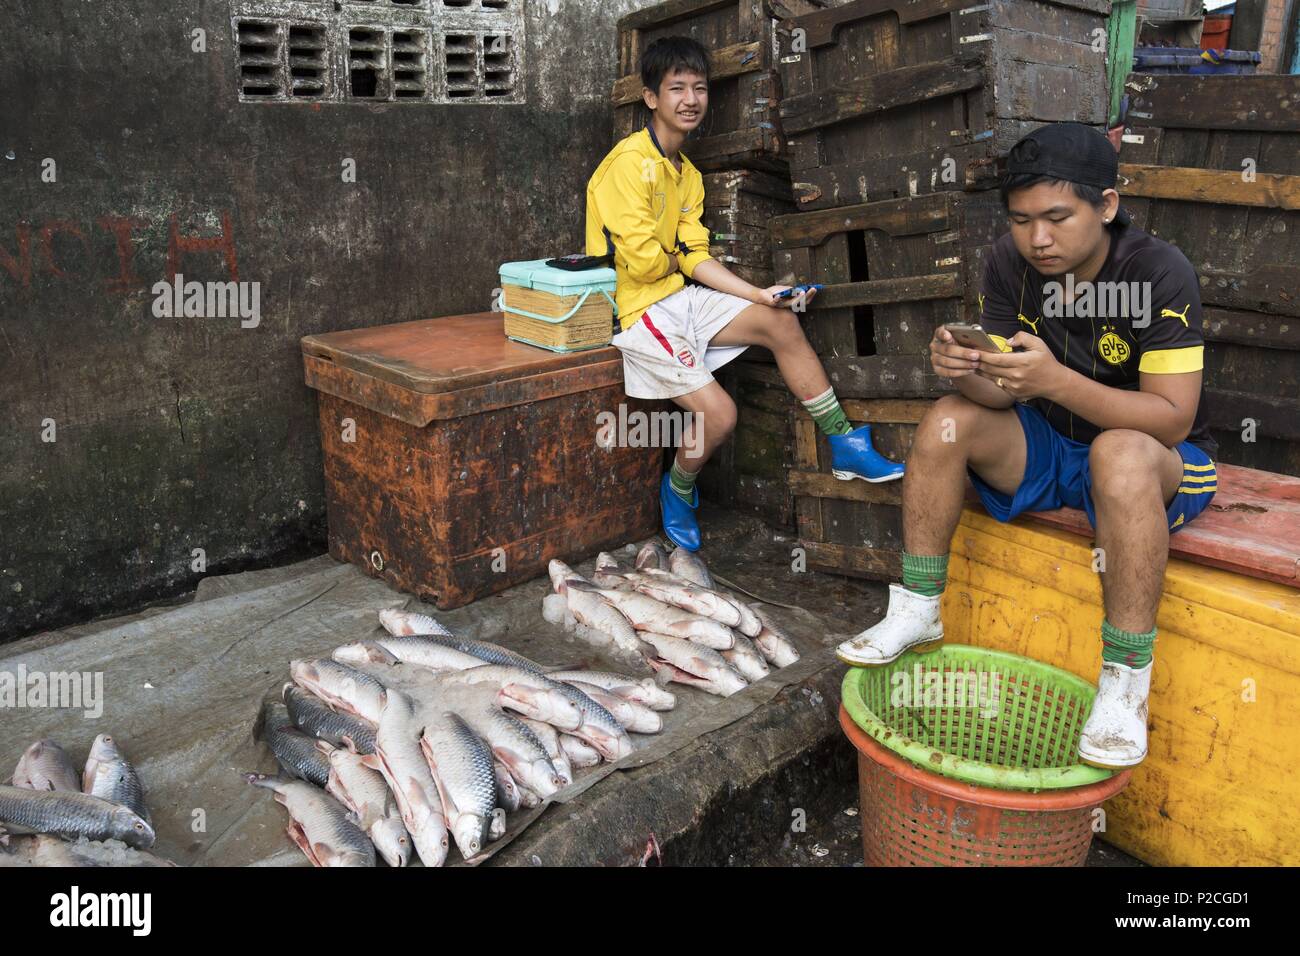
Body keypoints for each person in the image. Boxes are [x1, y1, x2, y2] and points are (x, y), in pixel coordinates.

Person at [837, 123, 1217, 770]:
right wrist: (968, 372)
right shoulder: (1009, 263)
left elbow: (1171, 421)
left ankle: (1125, 683)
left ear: (1106, 206)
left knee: (1118, 455)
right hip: (1049, 443)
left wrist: (1055, 381)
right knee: (948, 420)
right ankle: (919, 606)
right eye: (1020, 220)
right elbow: (1002, 397)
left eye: (1057, 218)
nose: (1037, 239)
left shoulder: (1158, 272)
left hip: (1152, 463)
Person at [585, 36, 903, 552]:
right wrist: (675, 258)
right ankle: (678, 487)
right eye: (676, 89)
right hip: (640, 311)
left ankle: (845, 442)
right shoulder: (628, 165)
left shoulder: (686, 174)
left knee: (779, 319)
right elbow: (642, 264)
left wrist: (758, 293)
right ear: (651, 98)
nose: (690, 100)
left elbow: (692, 255)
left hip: (677, 295)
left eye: (700, 89)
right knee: (721, 416)